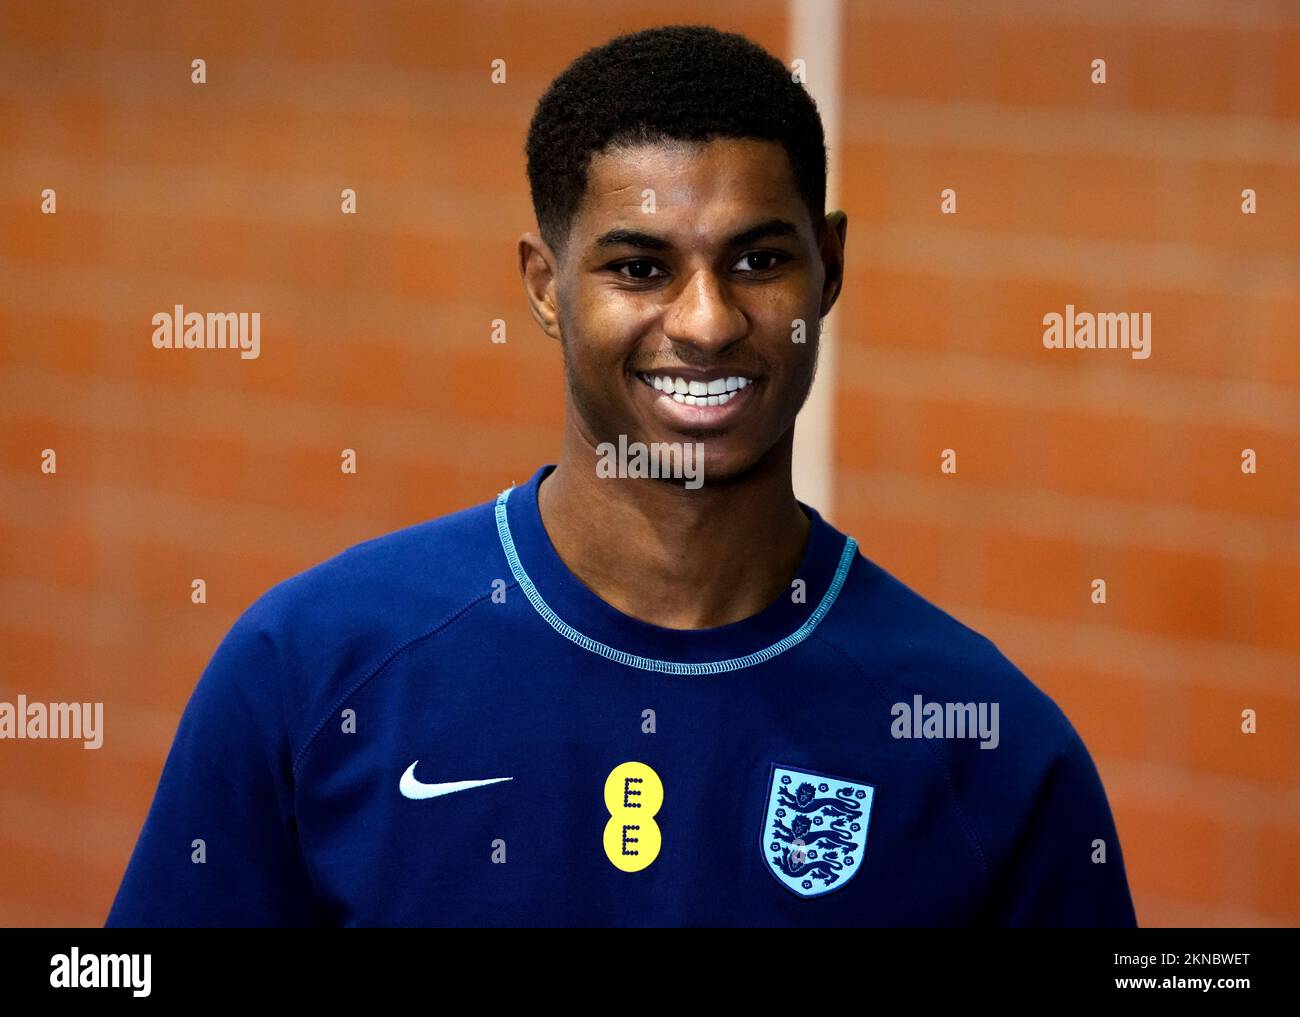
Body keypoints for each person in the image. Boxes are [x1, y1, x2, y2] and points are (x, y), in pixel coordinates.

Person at [106, 24, 1137, 927]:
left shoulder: (986, 746)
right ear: (544, 286)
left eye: (757, 259)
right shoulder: (309, 672)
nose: (705, 321)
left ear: (829, 267)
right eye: (639, 268)